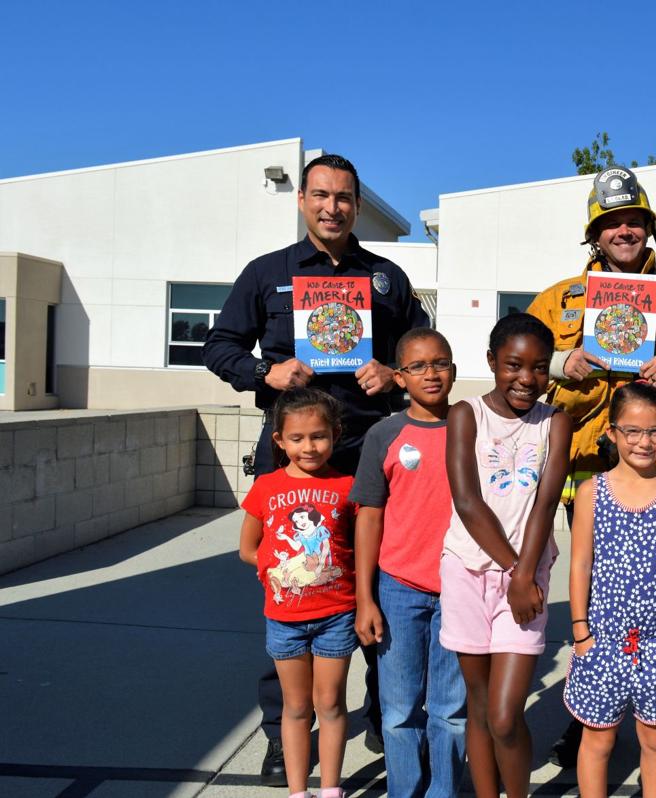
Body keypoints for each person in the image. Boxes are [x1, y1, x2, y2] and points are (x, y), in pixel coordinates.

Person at [203, 154, 428, 784]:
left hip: (370, 454)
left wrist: (396, 373)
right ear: (302, 200)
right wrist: (262, 372)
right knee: (292, 584)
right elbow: (217, 344)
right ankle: (284, 731)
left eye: (345, 198)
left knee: (383, 585)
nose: (333, 208)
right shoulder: (267, 273)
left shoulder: (387, 278)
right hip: (294, 458)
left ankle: (390, 715)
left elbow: (425, 351)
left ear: (357, 205)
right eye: (321, 196)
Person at [527, 165, 656, 781]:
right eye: (611, 222)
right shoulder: (560, 298)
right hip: (586, 478)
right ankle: (590, 714)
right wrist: (561, 363)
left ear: (649, 228)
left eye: (634, 221)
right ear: (595, 232)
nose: (624, 231)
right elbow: (521, 364)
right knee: (598, 596)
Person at [441, 313, 572, 798]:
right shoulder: (465, 414)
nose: (527, 379)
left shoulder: (555, 422)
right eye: (514, 365)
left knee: (504, 714)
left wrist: (523, 576)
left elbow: (546, 502)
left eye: (539, 368)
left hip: (525, 581)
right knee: (478, 706)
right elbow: (468, 502)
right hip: (467, 572)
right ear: (493, 361)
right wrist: (512, 568)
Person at [563, 383, 656, 798]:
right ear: (612, 431)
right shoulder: (591, 492)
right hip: (601, 639)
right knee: (598, 739)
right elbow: (581, 563)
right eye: (633, 431)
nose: (645, 442)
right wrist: (581, 631)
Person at [351, 328, 465, 798]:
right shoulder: (385, 434)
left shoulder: (472, 426)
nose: (430, 373)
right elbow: (369, 517)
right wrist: (365, 598)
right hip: (398, 588)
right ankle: (405, 790)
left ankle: (443, 791)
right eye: (417, 366)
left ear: (455, 370)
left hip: (461, 587)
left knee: (451, 710)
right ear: (398, 377)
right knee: (399, 711)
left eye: (439, 363)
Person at [238, 387, 358, 798]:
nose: (309, 446)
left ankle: (329, 789)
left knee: (330, 704)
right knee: (295, 707)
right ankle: (296, 791)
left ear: (336, 433)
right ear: (279, 440)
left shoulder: (349, 486)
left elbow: (359, 548)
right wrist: (283, 571)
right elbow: (248, 549)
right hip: (284, 618)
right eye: (297, 438)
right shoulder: (266, 488)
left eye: (318, 436)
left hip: (336, 614)